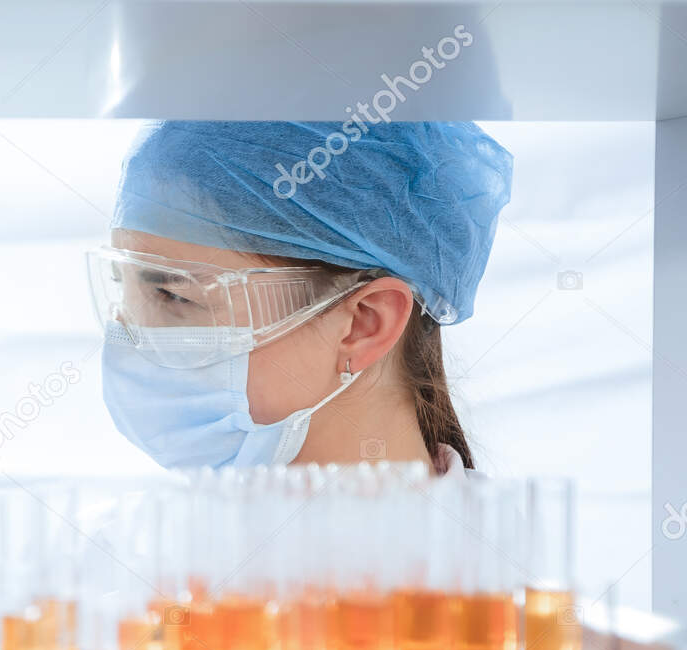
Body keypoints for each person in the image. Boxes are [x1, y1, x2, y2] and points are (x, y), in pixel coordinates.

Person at [91, 120, 512, 473]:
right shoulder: (125, 544)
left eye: (175, 295)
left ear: (365, 323)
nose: (127, 333)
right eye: (121, 286)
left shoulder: (502, 549)